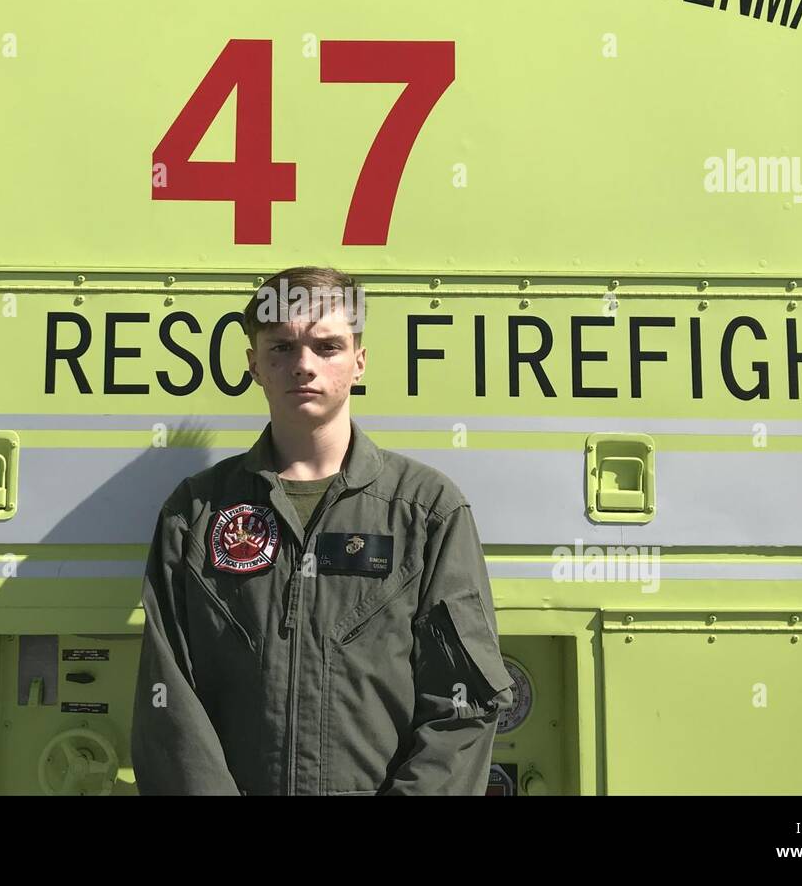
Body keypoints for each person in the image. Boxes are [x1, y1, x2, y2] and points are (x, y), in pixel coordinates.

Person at [130, 265, 514, 795]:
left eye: (327, 346)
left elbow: (463, 703)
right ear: (254, 365)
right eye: (282, 348)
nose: (303, 366)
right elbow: (167, 698)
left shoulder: (425, 511)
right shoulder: (195, 514)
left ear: (359, 361)